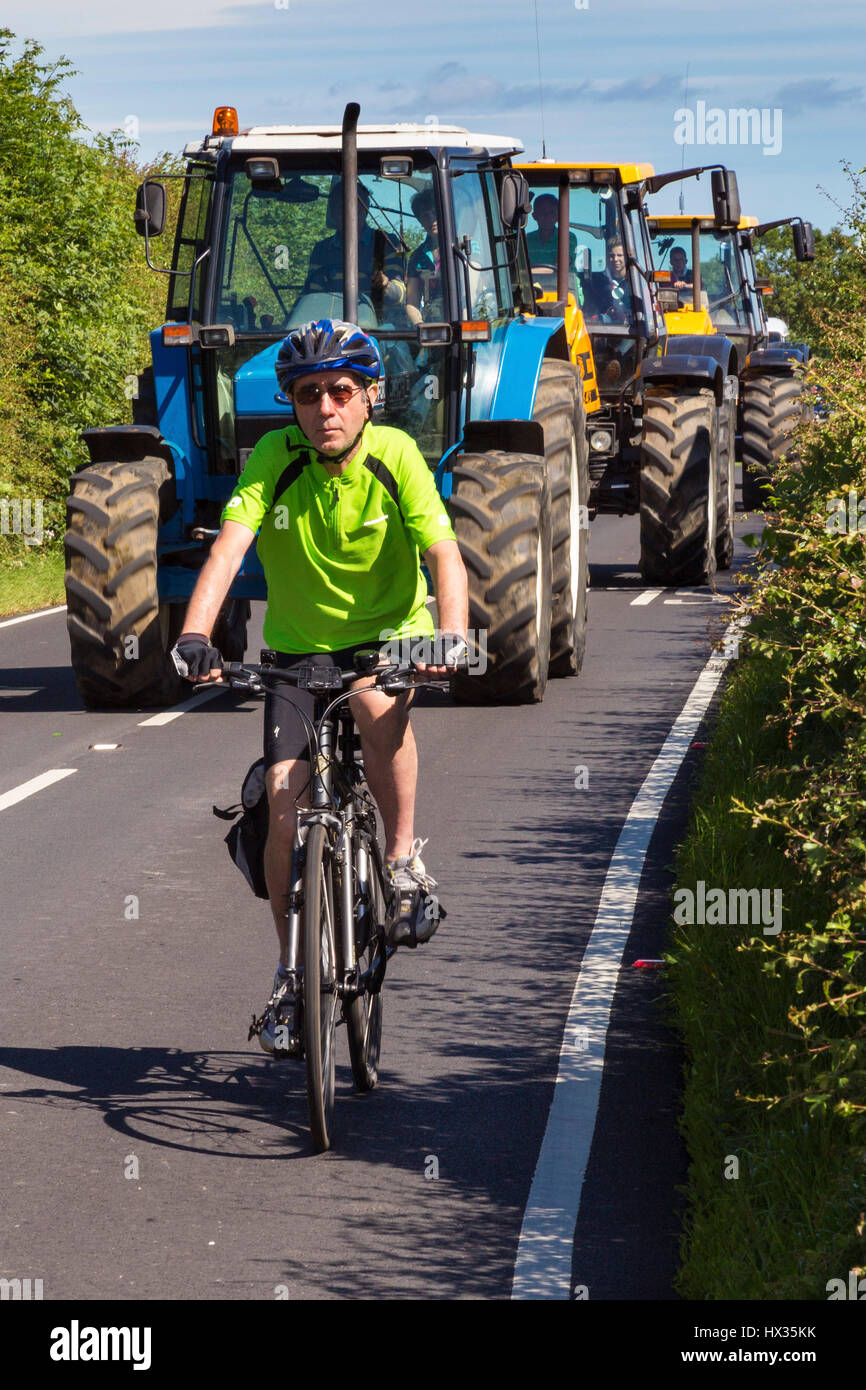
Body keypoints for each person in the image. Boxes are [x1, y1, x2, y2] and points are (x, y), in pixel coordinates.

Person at [171, 319, 469, 1054]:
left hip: (388, 637)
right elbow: (230, 547)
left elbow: (443, 552)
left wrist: (452, 636)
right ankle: (290, 974)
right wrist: (195, 634)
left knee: (374, 705)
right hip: (299, 654)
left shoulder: (396, 456)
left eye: (341, 391)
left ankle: (400, 861)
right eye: (309, 395)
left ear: (371, 396)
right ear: (292, 403)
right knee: (281, 799)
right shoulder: (274, 459)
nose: (326, 408)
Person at [305, 179, 407, 314]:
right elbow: (311, 296)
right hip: (332, 327)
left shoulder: (388, 243)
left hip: (381, 329)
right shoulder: (321, 250)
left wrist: (386, 285)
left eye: (355, 205)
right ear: (333, 212)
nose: (347, 212)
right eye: (340, 207)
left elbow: (401, 294)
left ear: (365, 209)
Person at [406, 188, 441, 319]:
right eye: (426, 215)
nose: (432, 219)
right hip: (429, 325)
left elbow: (471, 296)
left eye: (435, 212)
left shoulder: (466, 249)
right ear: (420, 221)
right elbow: (412, 304)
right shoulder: (417, 257)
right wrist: (420, 327)